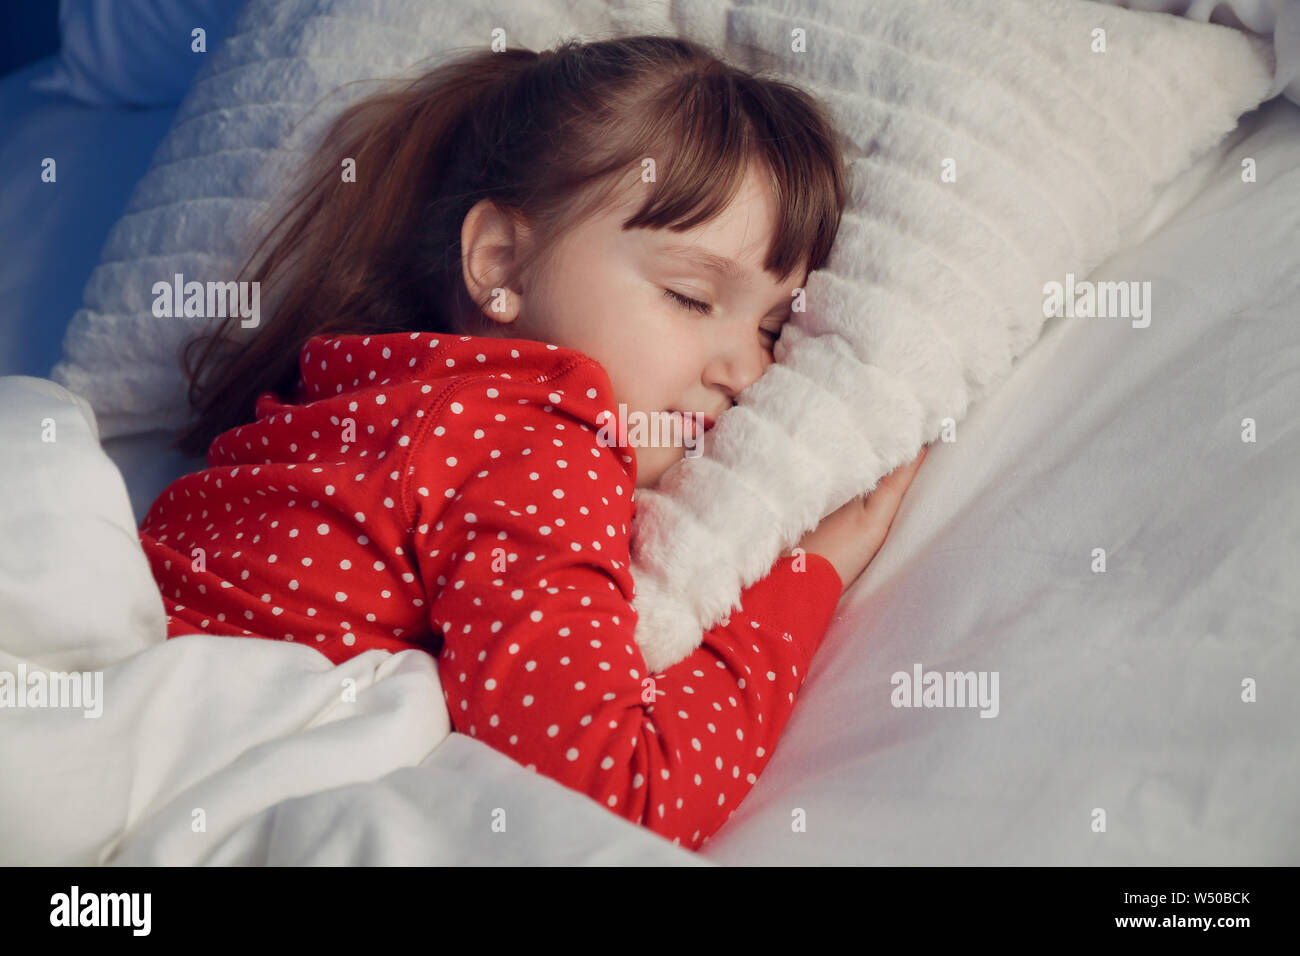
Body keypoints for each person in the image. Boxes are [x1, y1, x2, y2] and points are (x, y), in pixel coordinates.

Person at [142, 35, 927, 852]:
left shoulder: (373, 392)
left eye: (772, 328)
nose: (748, 371)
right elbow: (620, 791)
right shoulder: (531, 443)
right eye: (691, 297)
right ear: (500, 261)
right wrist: (808, 576)